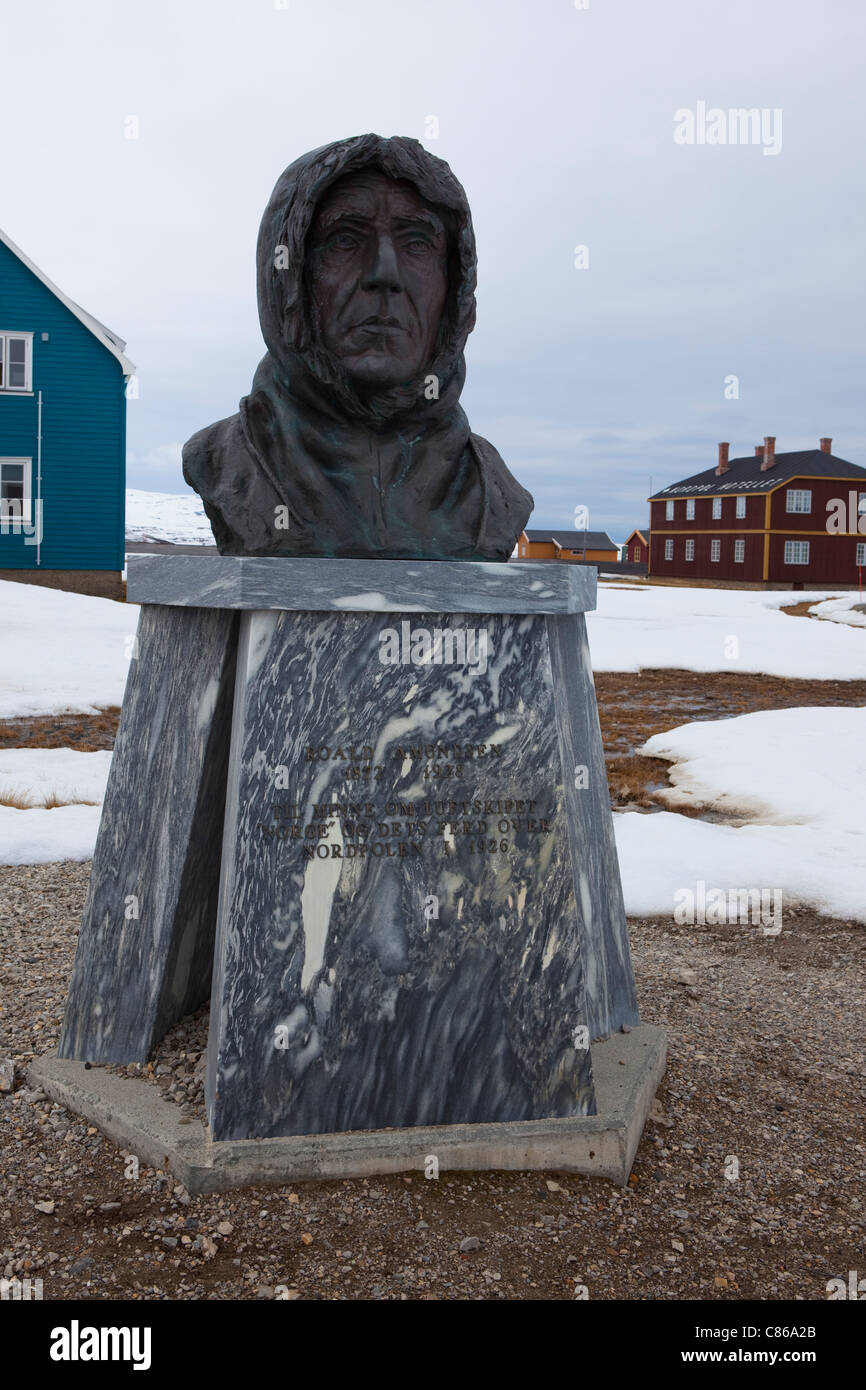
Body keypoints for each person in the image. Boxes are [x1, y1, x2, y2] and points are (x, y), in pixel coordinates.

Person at [182, 133, 533, 561]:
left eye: (416, 244)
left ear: (455, 288)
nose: (384, 274)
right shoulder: (223, 462)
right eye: (345, 240)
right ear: (288, 276)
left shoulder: (492, 493)